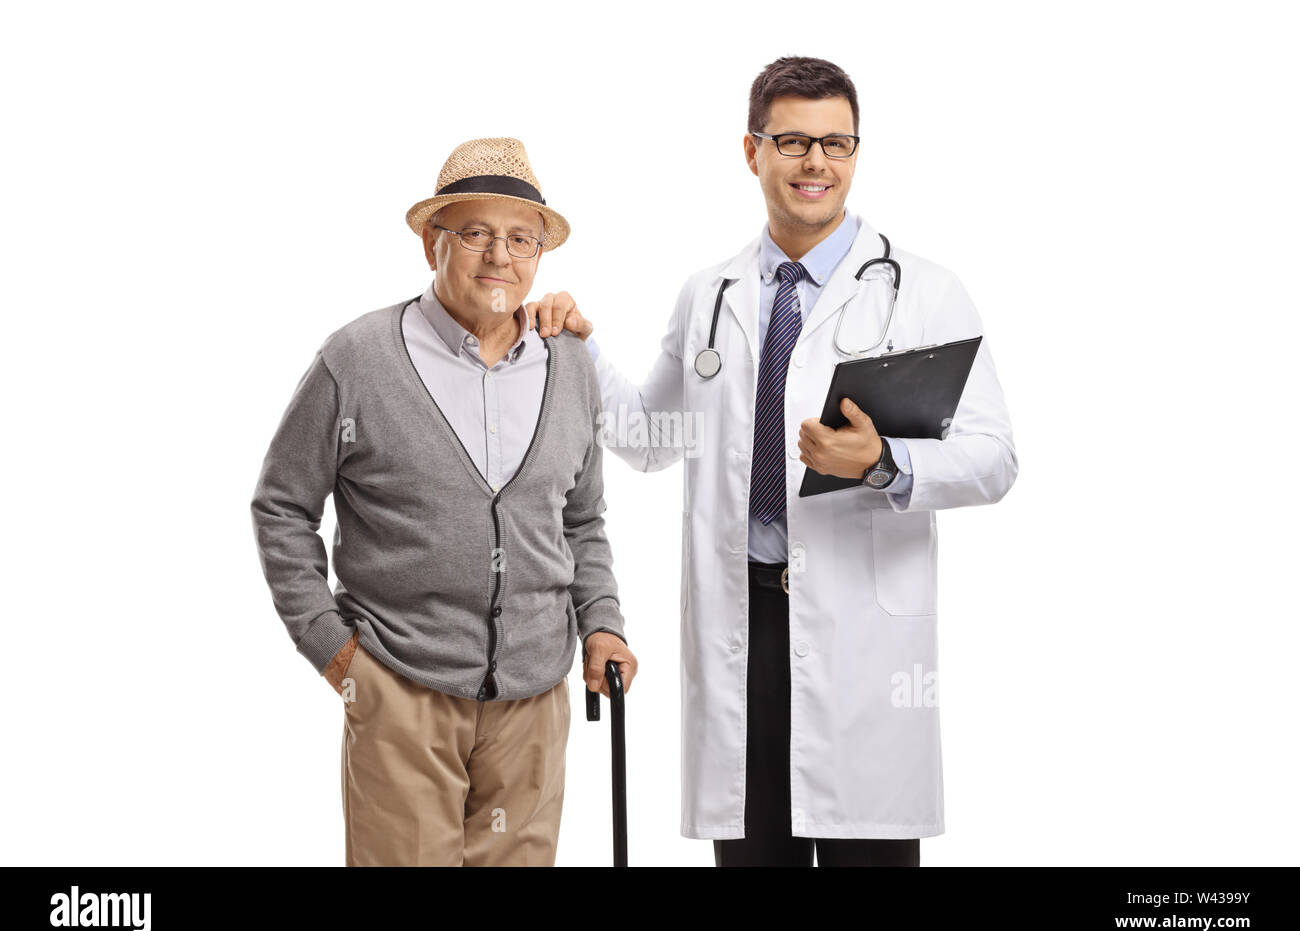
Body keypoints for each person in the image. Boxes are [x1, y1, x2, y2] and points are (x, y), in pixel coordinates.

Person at [529, 57, 1017, 866]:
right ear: (751, 151)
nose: (815, 163)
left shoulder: (922, 291)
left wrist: (884, 461)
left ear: (857, 152)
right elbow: (654, 439)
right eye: (791, 141)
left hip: (863, 636)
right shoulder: (709, 293)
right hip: (743, 619)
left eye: (836, 143)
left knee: (868, 852)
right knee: (754, 853)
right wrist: (579, 348)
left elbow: (995, 458)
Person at [250, 137, 637, 866]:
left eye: (520, 238)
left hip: (532, 701)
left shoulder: (571, 365)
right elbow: (282, 505)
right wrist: (334, 650)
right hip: (401, 688)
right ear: (434, 242)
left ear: (539, 255)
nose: (499, 255)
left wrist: (602, 627)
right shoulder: (357, 359)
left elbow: (582, 521)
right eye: (475, 234)